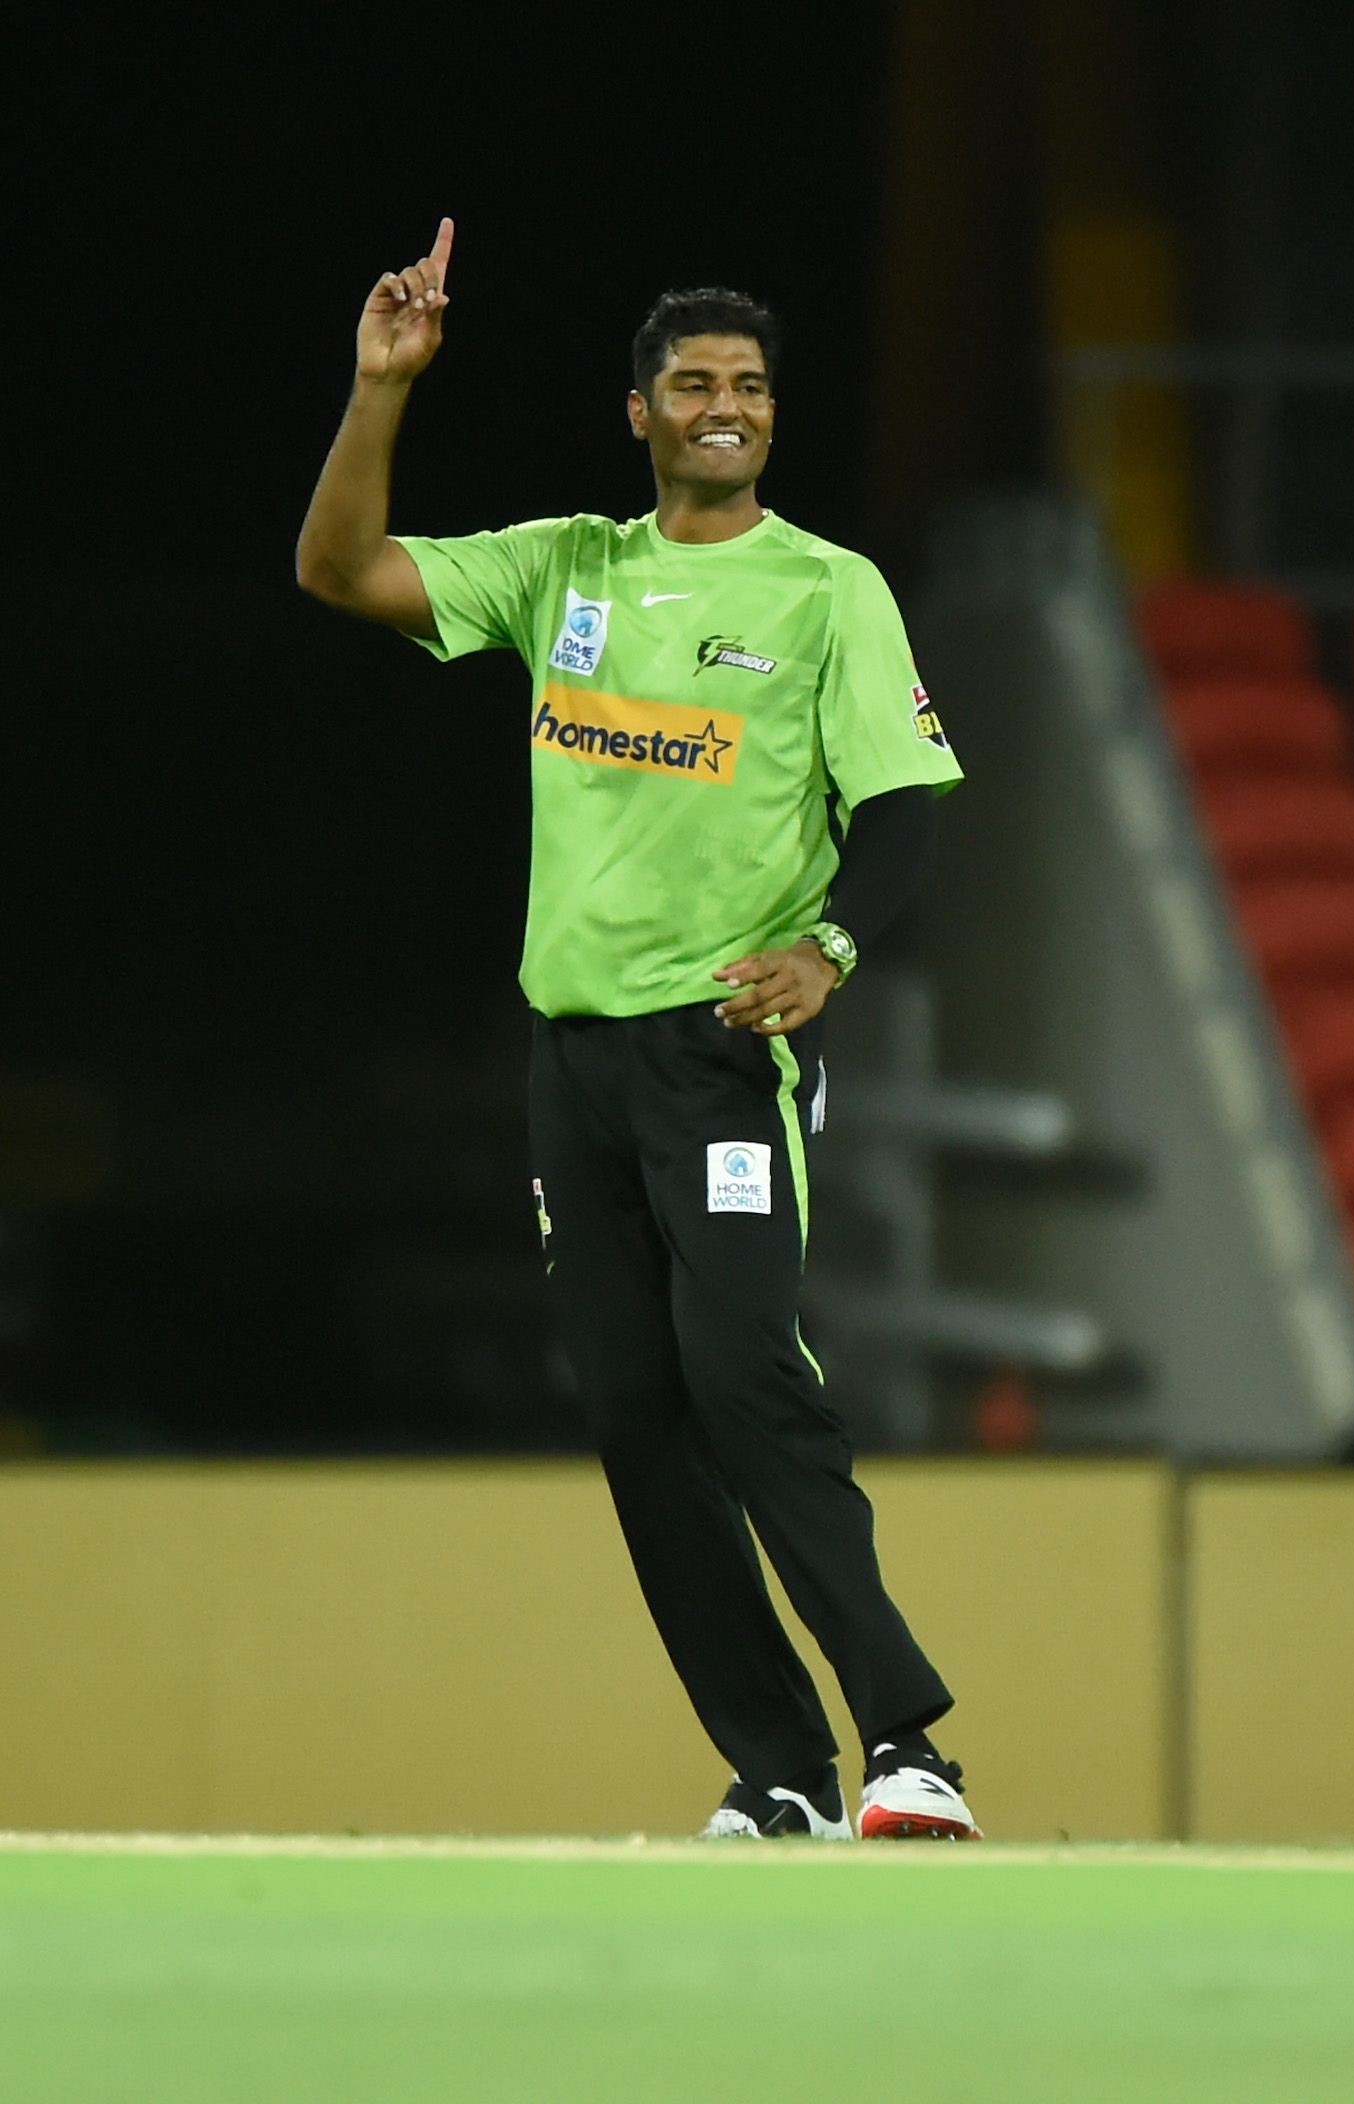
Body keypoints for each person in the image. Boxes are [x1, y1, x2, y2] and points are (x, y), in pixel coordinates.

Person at [297, 218, 981, 1842]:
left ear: (769, 411)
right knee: (630, 1408)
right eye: (692, 383)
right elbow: (340, 571)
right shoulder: (568, 569)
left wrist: (830, 950)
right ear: (640, 412)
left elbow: (908, 814)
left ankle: (908, 1747)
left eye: (747, 383)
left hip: (721, 1052)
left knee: (742, 1372)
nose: (724, 404)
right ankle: (779, 1771)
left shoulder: (828, 590)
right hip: (575, 1068)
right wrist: (378, 389)